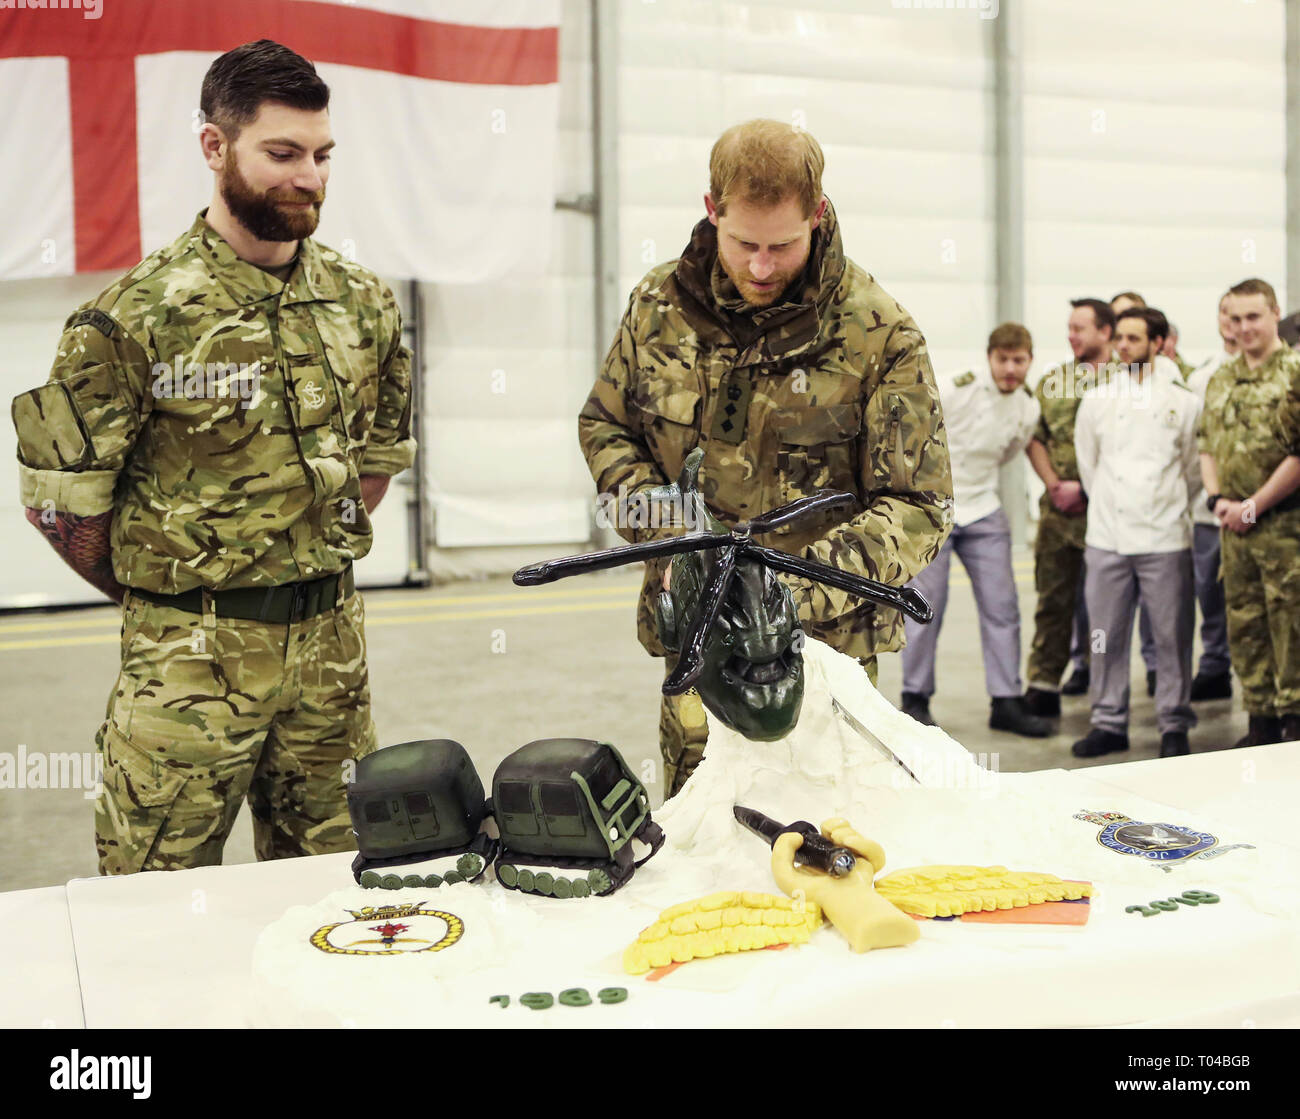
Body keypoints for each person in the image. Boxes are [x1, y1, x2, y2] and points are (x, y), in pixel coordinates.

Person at [10, 41, 415, 874]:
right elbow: (62, 508)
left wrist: (297, 561)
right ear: (214, 147)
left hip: (331, 664)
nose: (308, 176)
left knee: (339, 891)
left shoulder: (363, 302)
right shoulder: (132, 319)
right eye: (282, 153)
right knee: (154, 901)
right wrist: (179, 602)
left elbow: (375, 459)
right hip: (184, 673)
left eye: (321, 154)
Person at [578, 119, 953, 798]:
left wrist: (790, 591)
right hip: (696, 647)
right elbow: (607, 426)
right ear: (710, 209)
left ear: (817, 215)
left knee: (827, 844)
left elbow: (920, 505)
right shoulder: (657, 308)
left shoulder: (879, 333)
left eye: (782, 245)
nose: (760, 266)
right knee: (699, 846)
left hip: (825, 657)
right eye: (743, 242)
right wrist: (665, 524)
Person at [900, 324, 1049, 736]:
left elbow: (1010, 453)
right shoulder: (955, 388)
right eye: (1003, 359)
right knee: (925, 608)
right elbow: (912, 426)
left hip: (984, 509)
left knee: (1003, 608)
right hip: (935, 509)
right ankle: (915, 698)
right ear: (990, 358)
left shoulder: (1027, 407)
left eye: (1019, 361)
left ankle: (1006, 700)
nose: (1011, 369)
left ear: (1029, 361)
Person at [1072, 307, 1201, 758]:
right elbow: (1089, 465)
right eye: (1119, 338)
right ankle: (1108, 721)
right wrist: (1105, 506)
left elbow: (1192, 471)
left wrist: (1165, 507)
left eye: (1133, 338)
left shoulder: (1184, 402)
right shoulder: (1098, 400)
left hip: (1164, 537)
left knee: (1171, 636)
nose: (1122, 346)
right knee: (1104, 635)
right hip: (1107, 535)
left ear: (1159, 343)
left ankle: (1173, 723)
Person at [1198, 278, 1300, 746]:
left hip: (1284, 526)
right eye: (1235, 319)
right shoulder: (1222, 376)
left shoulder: (1294, 371)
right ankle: (1259, 719)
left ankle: (1294, 722)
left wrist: (1254, 507)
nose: (1244, 328)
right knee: (1244, 620)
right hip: (1233, 527)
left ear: (1275, 313)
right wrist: (1217, 498)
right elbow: (1207, 445)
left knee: (1291, 624)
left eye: (1253, 317)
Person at [1022, 298, 1115, 717]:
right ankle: (1043, 683)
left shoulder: (1125, 383)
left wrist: (1089, 489)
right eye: (1070, 328)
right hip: (1059, 514)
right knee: (1053, 600)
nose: (1071, 335)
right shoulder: (1053, 382)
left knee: (1105, 610)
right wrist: (1054, 484)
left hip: (1108, 515)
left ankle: (1105, 689)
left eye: (1081, 328)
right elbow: (1033, 436)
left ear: (1106, 332)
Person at [1184, 291, 1240, 701]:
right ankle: (1216, 666)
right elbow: (1193, 445)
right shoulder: (1202, 377)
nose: (1233, 322)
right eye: (1225, 312)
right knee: (1211, 595)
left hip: (1267, 508)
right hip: (1211, 509)